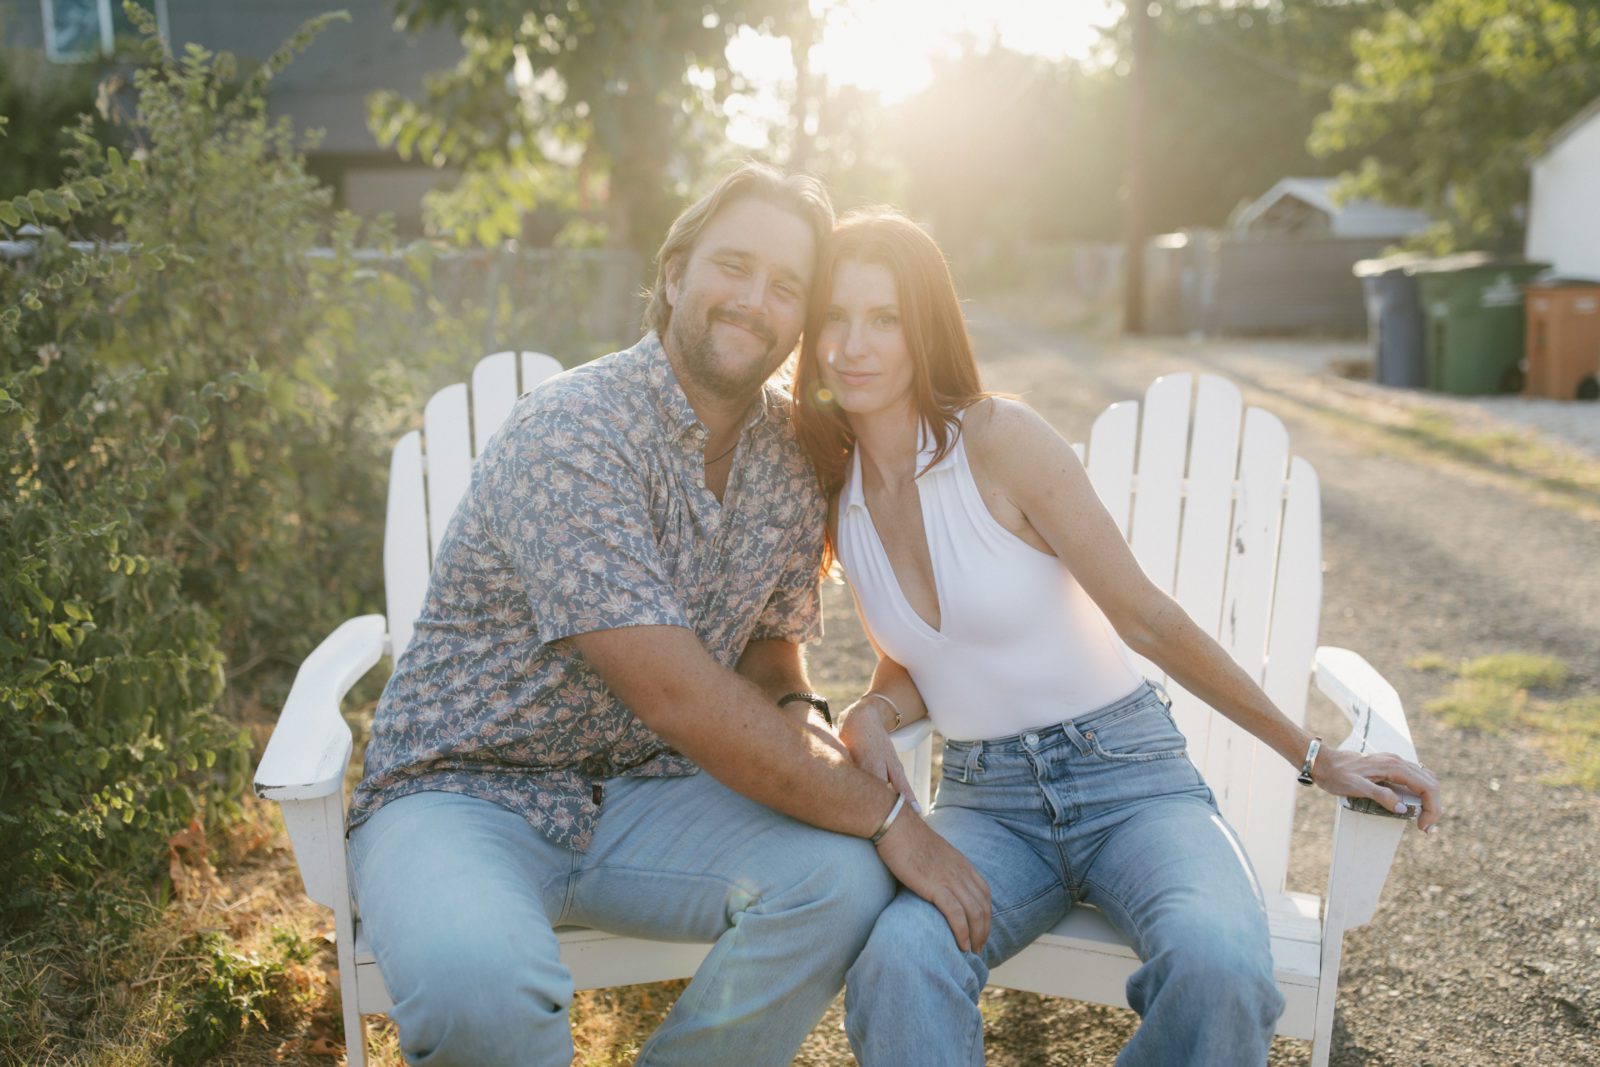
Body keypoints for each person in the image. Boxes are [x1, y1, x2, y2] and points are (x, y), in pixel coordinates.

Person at [345, 167, 990, 1067]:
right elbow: (677, 695)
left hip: (648, 795)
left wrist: (802, 712)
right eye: (734, 266)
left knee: (839, 882)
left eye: (786, 286)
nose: (754, 301)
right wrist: (888, 817)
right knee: (480, 991)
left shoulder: (792, 456)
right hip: (463, 790)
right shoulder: (573, 433)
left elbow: (770, 649)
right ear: (677, 274)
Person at [790, 210, 1443, 1066]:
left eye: (884, 317)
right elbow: (922, 654)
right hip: (990, 805)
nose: (853, 344)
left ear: (925, 330)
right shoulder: (836, 493)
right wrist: (873, 710)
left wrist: (1314, 755)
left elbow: (1146, 617)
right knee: (898, 964)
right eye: (835, 317)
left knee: (1223, 971)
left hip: (1131, 783)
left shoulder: (998, 441)